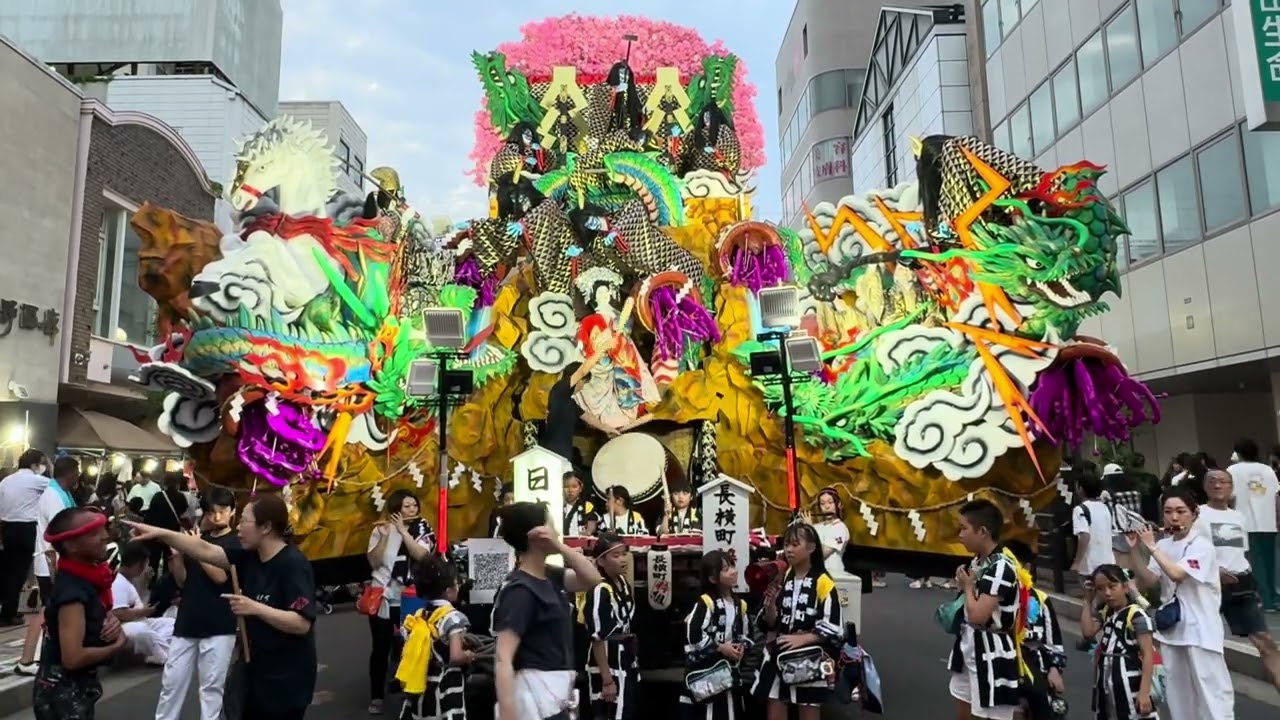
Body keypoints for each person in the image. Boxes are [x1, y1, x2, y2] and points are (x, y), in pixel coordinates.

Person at [126, 494, 318, 720]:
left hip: (287, 677)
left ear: (265, 527)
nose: (238, 529)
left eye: (244, 521)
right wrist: (161, 534)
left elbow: (301, 623)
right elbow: (205, 550)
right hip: (256, 672)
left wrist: (255, 608)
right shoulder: (250, 557)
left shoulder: (292, 564)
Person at [1127, 487, 1233, 720]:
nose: (1174, 517)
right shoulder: (1165, 546)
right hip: (1173, 631)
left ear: (1194, 513)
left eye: (1180, 511)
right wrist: (1135, 549)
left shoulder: (1201, 546)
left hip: (1201, 631)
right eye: (1168, 511)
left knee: (1211, 694)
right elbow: (1151, 580)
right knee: (1179, 696)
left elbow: (1176, 574)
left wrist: (1152, 546)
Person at [492, 501, 604, 720]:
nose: (557, 533)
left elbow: (593, 578)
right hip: (534, 695)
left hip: (555, 694)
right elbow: (503, 657)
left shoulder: (550, 575)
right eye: (551, 526)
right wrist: (508, 713)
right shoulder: (520, 589)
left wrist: (561, 548)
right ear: (538, 535)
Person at [31, 507, 127, 719]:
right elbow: (73, 658)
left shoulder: (85, 582)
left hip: (75, 690)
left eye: (103, 529)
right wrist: (117, 645)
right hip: (63, 696)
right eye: (93, 533)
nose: (105, 536)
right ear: (71, 545)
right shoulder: (72, 594)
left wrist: (111, 620)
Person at [156, 487, 241, 720]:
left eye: (223, 511)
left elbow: (220, 577)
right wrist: (176, 555)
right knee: (171, 684)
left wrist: (196, 547)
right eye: (211, 512)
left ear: (233, 511)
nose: (216, 517)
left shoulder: (236, 543)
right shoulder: (198, 539)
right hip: (187, 621)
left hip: (219, 624)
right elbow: (183, 581)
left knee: (211, 688)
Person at [1196, 469, 1280, 689]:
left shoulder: (1238, 516)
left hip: (1241, 584)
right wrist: (1214, 571)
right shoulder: (1197, 515)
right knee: (1205, 644)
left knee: (1265, 641)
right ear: (1205, 487)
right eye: (1212, 481)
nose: (1217, 485)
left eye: (1223, 481)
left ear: (1231, 488)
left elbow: (1241, 552)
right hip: (1209, 586)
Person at [751, 523, 844, 719]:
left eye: (795, 544)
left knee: (807, 705)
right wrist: (769, 607)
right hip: (779, 652)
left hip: (808, 656)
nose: (788, 550)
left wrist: (804, 638)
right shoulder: (782, 578)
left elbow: (834, 626)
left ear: (811, 548)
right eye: (786, 544)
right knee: (774, 701)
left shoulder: (823, 582)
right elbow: (769, 622)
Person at [946, 499, 1025, 720]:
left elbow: (978, 615)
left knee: (989, 712)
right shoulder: (978, 562)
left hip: (992, 648)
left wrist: (968, 587)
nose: (959, 534)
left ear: (982, 531)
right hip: (968, 644)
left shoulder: (1001, 567)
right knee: (962, 701)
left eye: (964, 528)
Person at [367, 490, 434, 715]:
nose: (411, 510)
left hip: (411, 597)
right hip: (383, 596)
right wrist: (386, 536)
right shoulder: (380, 529)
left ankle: (410, 691)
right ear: (395, 508)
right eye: (406, 506)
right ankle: (376, 695)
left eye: (414, 506)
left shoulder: (422, 528)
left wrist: (404, 532)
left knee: (410, 646)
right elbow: (374, 562)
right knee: (380, 647)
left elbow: (422, 556)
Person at [17, 456, 81, 675]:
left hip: (52, 561)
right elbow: (60, 534)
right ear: (70, 473)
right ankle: (27, 659)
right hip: (50, 562)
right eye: (77, 471)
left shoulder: (61, 493)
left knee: (48, 611)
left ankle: (37, 657)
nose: (79, 475)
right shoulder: (54, 496)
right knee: (46, 611)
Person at [395, 554, 474, 720]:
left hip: (422, 683)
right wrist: (468, 656)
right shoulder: (453, 618)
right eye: (456, 583)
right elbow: (455, 656)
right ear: (449, 591)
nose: (458, 586)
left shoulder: (419, 617)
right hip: (444, 686)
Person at [1080, 564, 1157, 720]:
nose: (1107, 593)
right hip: (1106, 683)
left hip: (1131, 684)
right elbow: (1088, 632)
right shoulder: (1106, 612)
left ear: (1125, 587)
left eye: (1112, 586)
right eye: (1101, 588)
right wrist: (1087, 600)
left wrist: (1144, 693)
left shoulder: (1136, 615)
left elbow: (1148, 655)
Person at [680, 549, 751, 718]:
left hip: (730, 672)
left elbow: (747, 634)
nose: (733, 571)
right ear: (712, 578)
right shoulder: (706, 602)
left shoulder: (739, 604)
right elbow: (693, 634)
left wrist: (741, 648)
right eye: (726, 569)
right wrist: (719, 648)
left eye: (732, 566)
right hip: (707, 673)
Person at [1005, 539, 1066, 719]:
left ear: (1027, 568)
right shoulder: (994, 597)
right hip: (1004, 663)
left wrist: (1055, 669)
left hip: (1035, 664)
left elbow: (1053, 640)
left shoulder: (1040, 599)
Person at [583, 534, 639, 719]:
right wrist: (607, 680)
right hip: (607, 658)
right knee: (611, 712)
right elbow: (597, 637)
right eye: (615, 556)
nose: (623, 559)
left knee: (627, 709)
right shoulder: (600, 589)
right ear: (601, 561)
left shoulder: (623, 583)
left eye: (624, 554)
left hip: (625, 654)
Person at [1226, 438, 1279, 612]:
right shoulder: (1268, 470)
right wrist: (1277, 519)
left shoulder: (1232, 470)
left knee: (1251, 562)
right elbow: (1276, 496)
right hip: (1268, 521)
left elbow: (1230, 497)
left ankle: (1263, 599)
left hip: (1243, 522)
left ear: (1238, 452)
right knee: (1270, 562)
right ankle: (1273, 597)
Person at [0, 449, 49, 625]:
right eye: (42, 463)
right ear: (35, 464)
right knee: (18, 573)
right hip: (25, 528)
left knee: (6, 570)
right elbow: (55, 487)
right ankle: (8, 613)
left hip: (6, 528)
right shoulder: (36, 480)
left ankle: (6, 607)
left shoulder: (6, 481)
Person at [110, 542, 173, 665]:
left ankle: (158, 652)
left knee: (171, 623)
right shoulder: (117, 581)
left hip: (140, 620)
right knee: (141, 630)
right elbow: (118, 613)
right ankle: (163, 655)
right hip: (125, 626)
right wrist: (143, 612)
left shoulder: (128, 579)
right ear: (139, 565)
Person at [1073, 473, 1116, 585]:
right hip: (1108, 562)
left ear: (1081, 489)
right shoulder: (1106, 507)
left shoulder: (1080, 509)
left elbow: (1084, 535)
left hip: (1089, 566)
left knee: (1090, 598)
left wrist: (1077, 562)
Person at [808, 488, 849, 576]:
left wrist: (810, 530)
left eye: (830, 502)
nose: (827, 507)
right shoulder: (817, 527)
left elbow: (822, 553)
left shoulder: (840, 528)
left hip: (833, 574)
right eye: (822, 504)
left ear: (838, 504)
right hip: (815, 573)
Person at [563, 472, 598, 537]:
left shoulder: (587, 505)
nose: (570, 490)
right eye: (566, 487)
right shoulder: (558, 506)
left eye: (574, 487)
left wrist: (588, 531)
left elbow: (591, 525)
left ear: (581, 488)